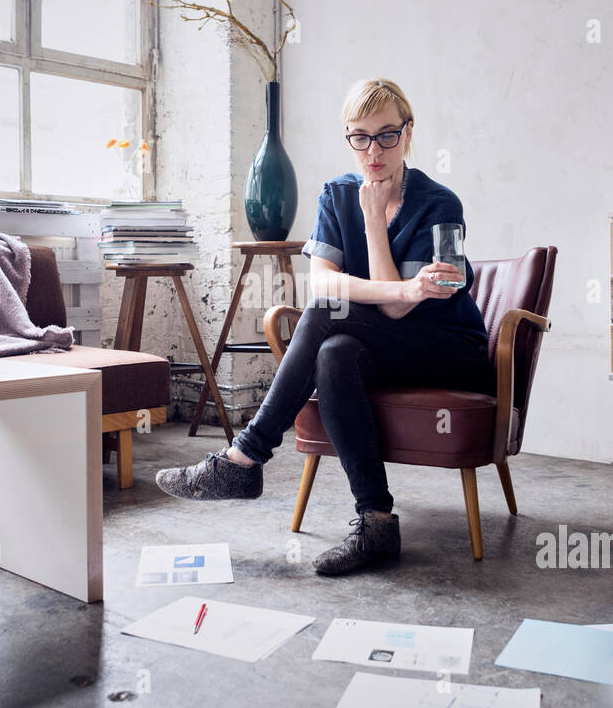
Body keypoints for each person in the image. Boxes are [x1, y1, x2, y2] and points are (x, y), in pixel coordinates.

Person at [155, 78, 494, 576]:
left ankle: (244, 458)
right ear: (348, 137)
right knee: (334, 349)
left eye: (386, 135)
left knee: (321, 316)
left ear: (408, 132)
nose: (373, 151)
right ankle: (376, 521)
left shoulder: (439, 204)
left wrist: (375, 223)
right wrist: (402, 288)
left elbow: (397, 314)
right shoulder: (337, 195)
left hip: (447, 350)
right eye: (359, 136)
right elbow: (326, 283)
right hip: (382, 348)